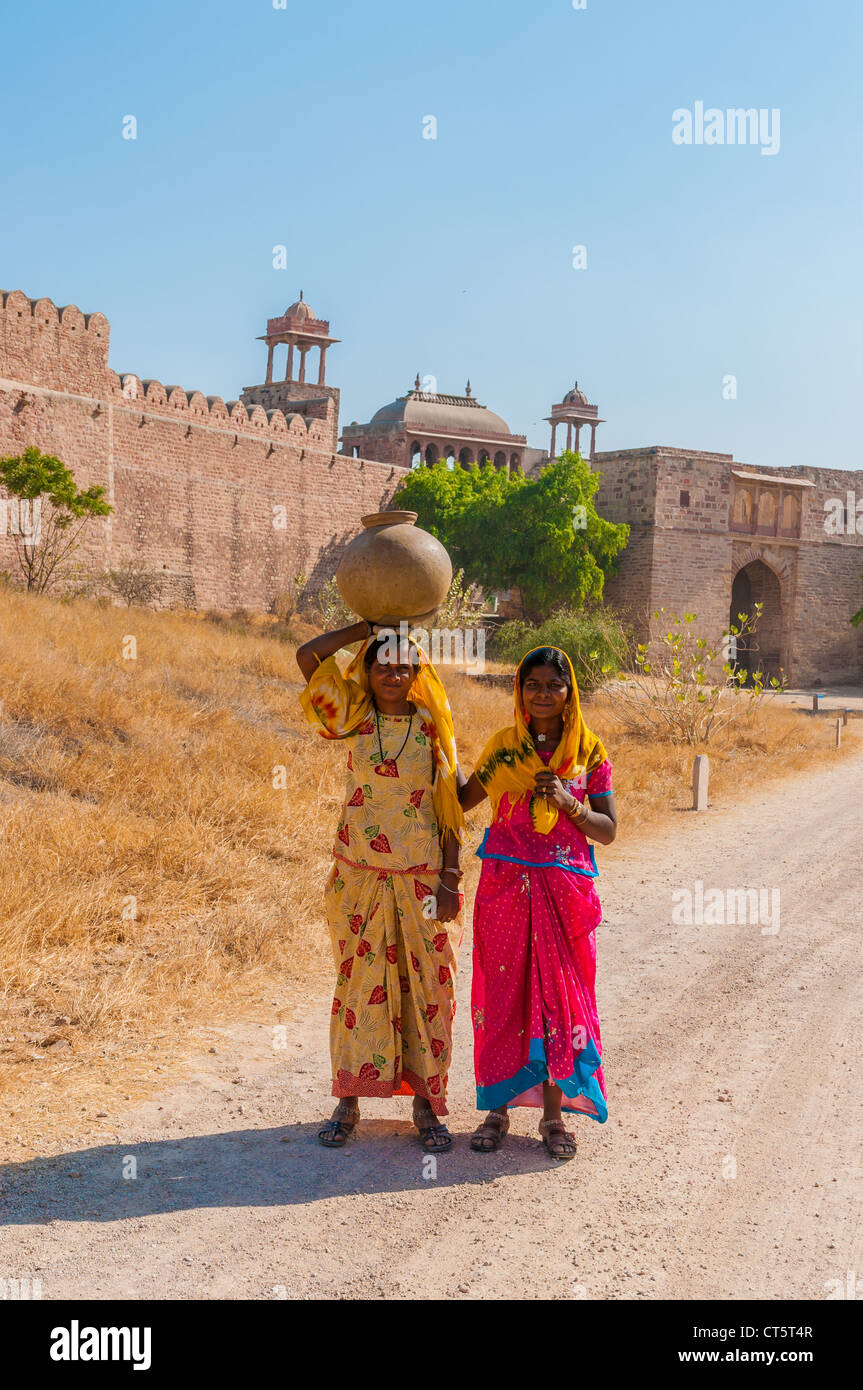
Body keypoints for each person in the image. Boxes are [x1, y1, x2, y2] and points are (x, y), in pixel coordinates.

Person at [297, 620, 465, 1151]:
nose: (394, 673)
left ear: (418, 672)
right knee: (356, 986)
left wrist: (452, 876)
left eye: (403, 665)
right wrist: (364, 627)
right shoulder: (354, 717)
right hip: (360, 876)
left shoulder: (432, 725)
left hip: (421, 879)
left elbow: (450, 805)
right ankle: (347, 1101)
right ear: (367, 671)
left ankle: (427, 1105)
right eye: (383, 663)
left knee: (430, 990)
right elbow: (307, 656)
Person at [458, 646, 617, 1160]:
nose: (543, 694)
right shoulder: (504, 749)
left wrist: (568, 804)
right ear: (519, 691)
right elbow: (464, 800)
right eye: (533, 685)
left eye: (554, 684)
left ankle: (554, 1116)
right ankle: (496, 1111)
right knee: (504, 996)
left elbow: (608, 831)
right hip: (506, 884)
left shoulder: (589, 753)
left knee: (561, 999)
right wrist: (435, 745)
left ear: (569, 692)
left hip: (565, 890)